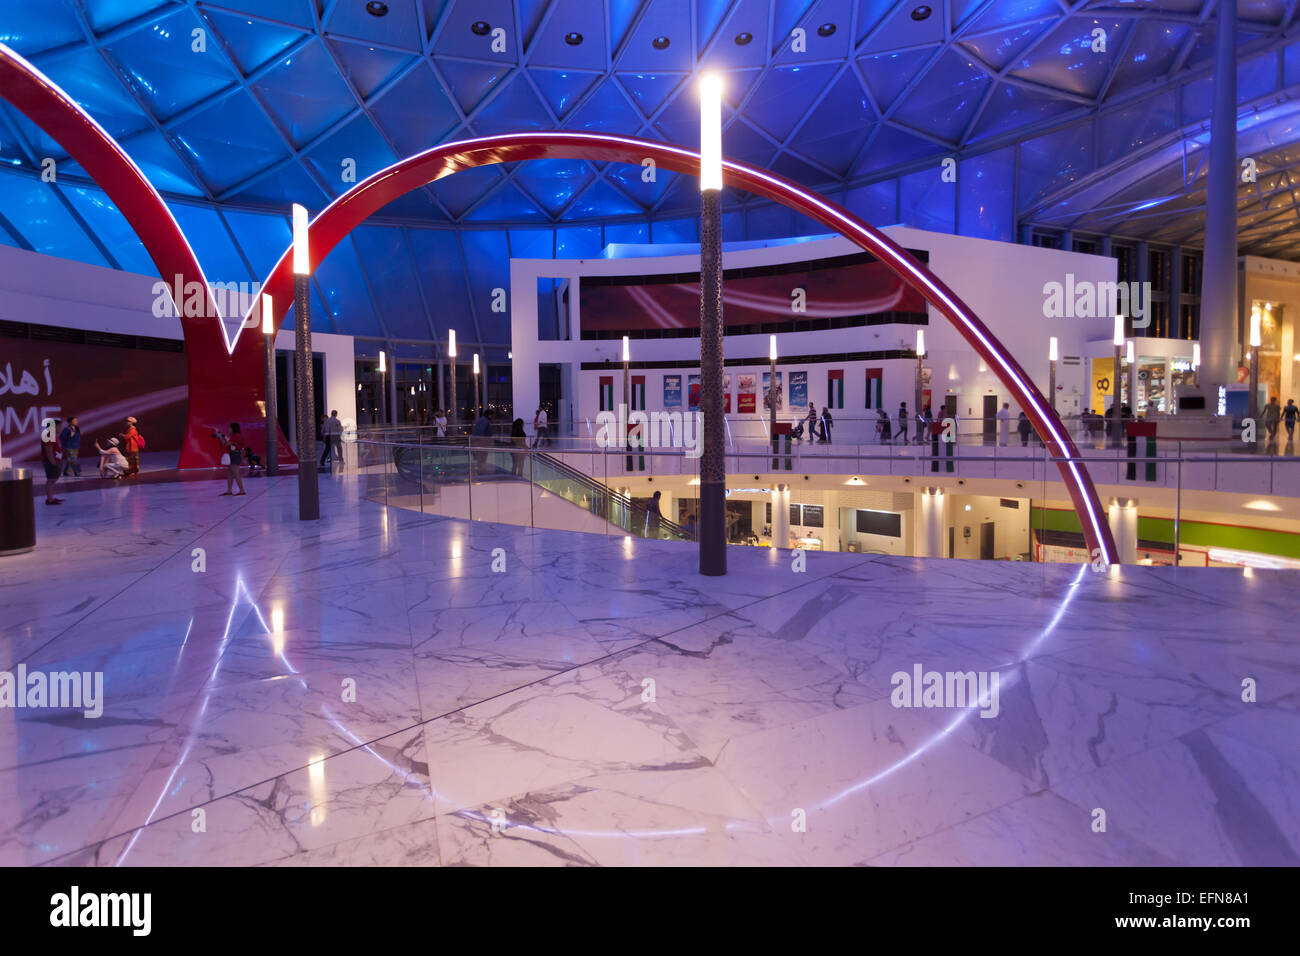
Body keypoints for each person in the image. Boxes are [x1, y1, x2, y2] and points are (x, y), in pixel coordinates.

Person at [215, 423, 247, 496]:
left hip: (235, 455)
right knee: (230, 473)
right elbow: (228, 444)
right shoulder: (236, 436)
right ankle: (229, 491)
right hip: (234, 454)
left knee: (235, 472)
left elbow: (226, 445)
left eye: (229, 428)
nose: (228, 429)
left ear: (233, 428)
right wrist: (221, 438)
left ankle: (242, 490)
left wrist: (220, 437)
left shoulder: (235, 436)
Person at [40, 418, 64, 506]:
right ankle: (50, 499)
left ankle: (51, 497)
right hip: (52, 462)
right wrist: (53, 462)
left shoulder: (54, 436)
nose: (61, 428)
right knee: (51, 480)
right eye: (59, 426)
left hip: (56, 461)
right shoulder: (48, 436)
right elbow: (48, 450)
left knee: (53, 480)